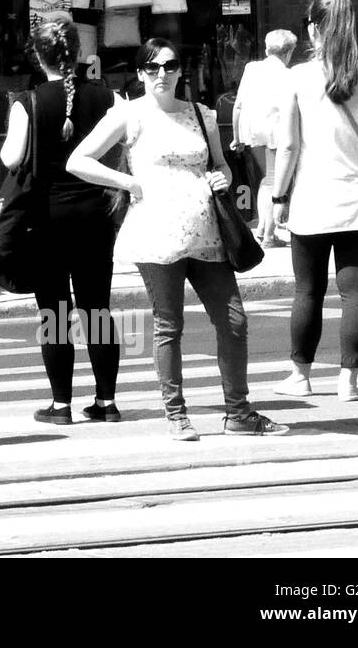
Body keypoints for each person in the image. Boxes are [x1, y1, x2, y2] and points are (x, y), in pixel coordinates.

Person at [67, 38, 288, 440]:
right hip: (157, 233)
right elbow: (77, 160)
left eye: (169, 66)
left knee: (234, 320)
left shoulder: (200, 115)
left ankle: (238, 412)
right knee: (169, 325)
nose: (161, 75)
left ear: (180, 70)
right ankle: (176, 413)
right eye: (152, 68)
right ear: (139, 74)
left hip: (207, 232)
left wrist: (224, 177)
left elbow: (220, 165)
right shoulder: (129, 115)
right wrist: (127, 182)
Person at [0, 21, 120, 425]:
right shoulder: (108, 97)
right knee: (97, 308)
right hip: (96, 215)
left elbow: (11, 159)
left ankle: (61, 405)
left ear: (38, 56)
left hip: (45, 220)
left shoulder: (27, 102)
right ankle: (106, 403)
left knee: (53, 310)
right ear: (80, 53)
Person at [272, 0, 358, 403]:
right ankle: (348, 382)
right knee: (355, 290)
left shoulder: (298, 77)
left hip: (312, 198)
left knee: (308, 290)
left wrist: (278, 196)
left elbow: (287, 146)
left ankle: (300, 375)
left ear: (314, 30)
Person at [230, 29, 298, 248]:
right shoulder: (289, 74)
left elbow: (238, 106)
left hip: (252, 133)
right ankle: (269, 235)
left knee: (265, 179)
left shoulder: (251, 68)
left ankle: (262, 228)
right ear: (289, 52)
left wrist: (236, 136)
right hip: (275, 134)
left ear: (267, 49)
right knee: (272, 180)